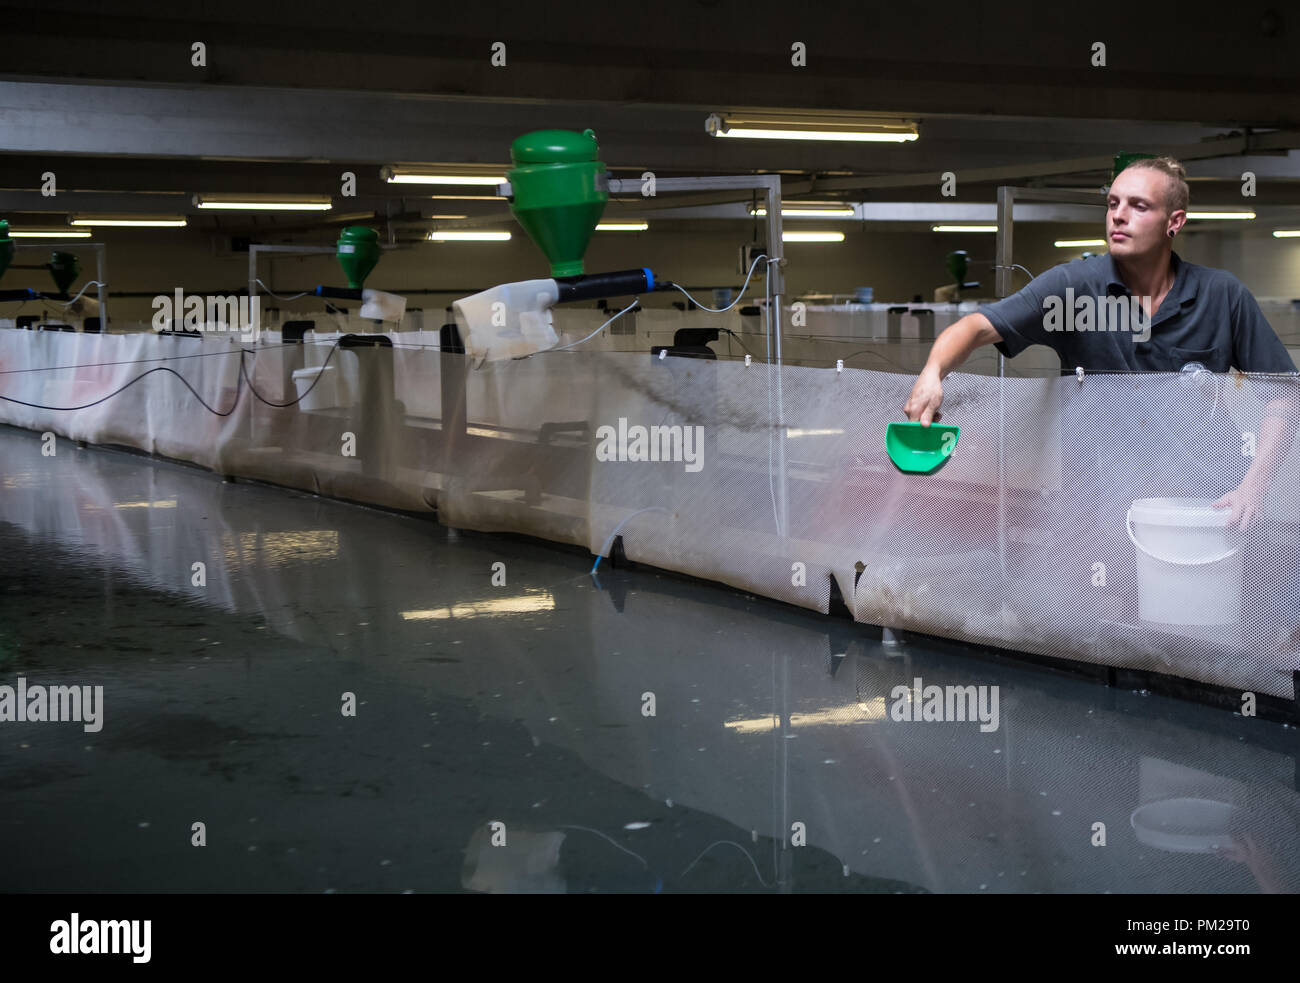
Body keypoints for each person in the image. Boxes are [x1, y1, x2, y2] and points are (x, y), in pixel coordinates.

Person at [904, 156, 1298, 532]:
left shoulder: (1221, 295)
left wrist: (1255, 485)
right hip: (1099, 510)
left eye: (1138, 206)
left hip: (1202, 506)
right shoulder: (1073, 289)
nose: (1118, 216)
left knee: (1194, 603)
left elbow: (1283, 392)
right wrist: (933, 372)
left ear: (1174, 222)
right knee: (1104, 599)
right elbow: (977, 327)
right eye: (1113, 203)